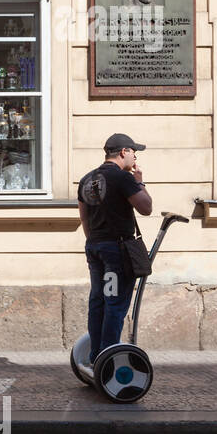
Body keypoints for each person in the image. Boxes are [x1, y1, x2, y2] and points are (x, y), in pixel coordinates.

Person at [77, 133, 153, 363]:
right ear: (123, 152)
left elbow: (84, 218)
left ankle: (94, 356)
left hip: (95, 246)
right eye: (133, 152)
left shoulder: (87, 179)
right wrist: (139, 181)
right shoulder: (123, 178)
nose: (134, 156)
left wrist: (95, 243)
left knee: (98, 300)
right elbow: (146, 207)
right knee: (115, 304)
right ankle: (107, 358)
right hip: (117, 250)